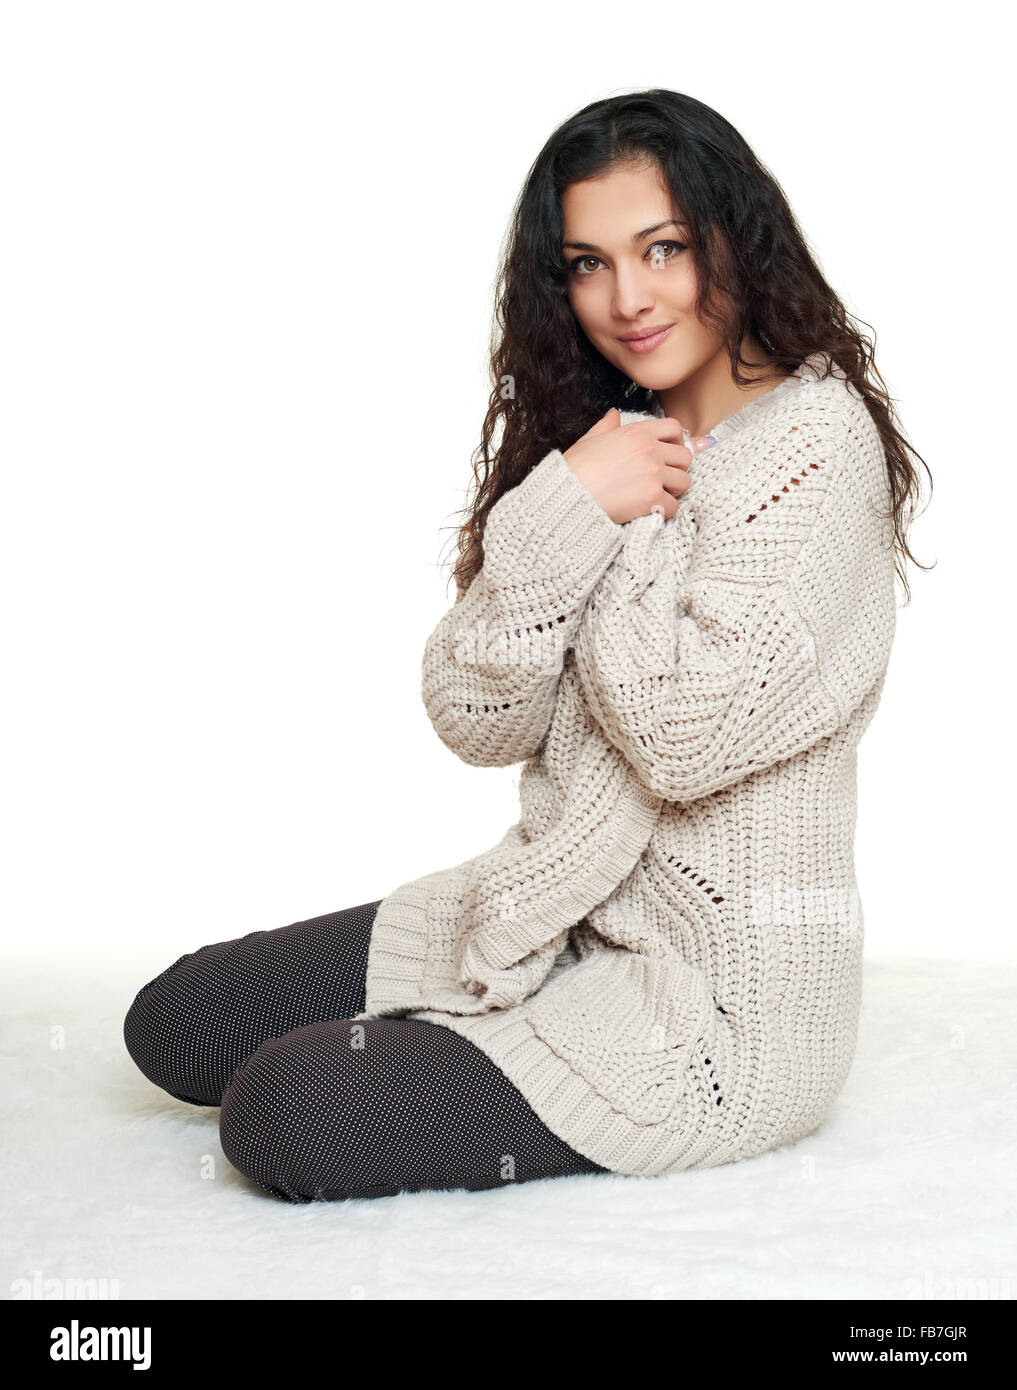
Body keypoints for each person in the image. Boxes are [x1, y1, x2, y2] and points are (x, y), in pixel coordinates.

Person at [124, 88, 930, 1203]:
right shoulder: (607, 434)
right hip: (548, 905)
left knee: (284, 1109)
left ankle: (499, 1047)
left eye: (663, 250)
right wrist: (570, 506)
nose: (627, 300)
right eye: (587, 264)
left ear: (733, 241)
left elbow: (682, 736)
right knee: (180, 1021)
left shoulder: (814, 448)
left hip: (712, 1009)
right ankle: (484, 1002)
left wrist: (611, 523)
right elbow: (474, 712)